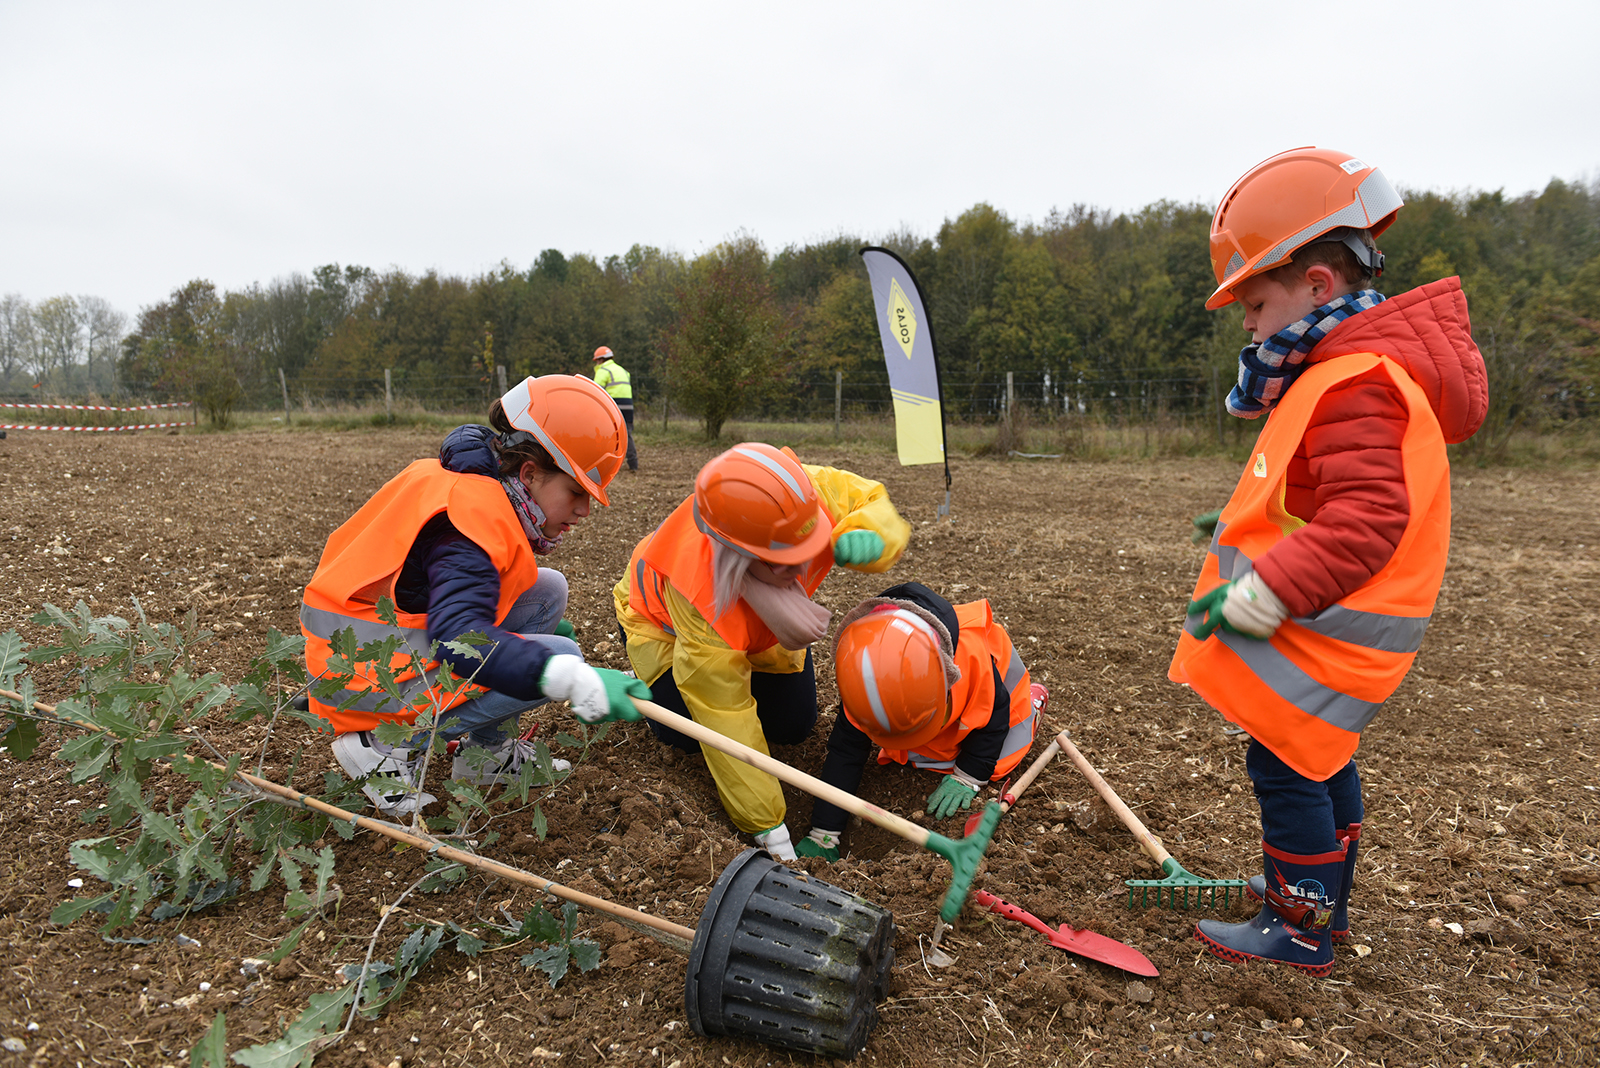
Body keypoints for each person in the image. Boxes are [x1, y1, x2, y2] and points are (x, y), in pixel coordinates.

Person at [1171, 148, 1487, 975]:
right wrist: (1253, 524)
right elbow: (1328, 492)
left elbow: (1368, 519)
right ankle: (1318, 898)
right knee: (1319, 753)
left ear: (1317, 285)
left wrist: (1266, 588)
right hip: (1345, 628)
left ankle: (1299, 924)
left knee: (1282, 760)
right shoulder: (1347, 369)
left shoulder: (1356, 380)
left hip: (1330, 628)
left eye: (1256, 298)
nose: (1245, 320)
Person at [301, 374, 650, 815]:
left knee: (547, 591)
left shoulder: (480, 483)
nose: (585, 509)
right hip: (361, 680)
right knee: (559, 654)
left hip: (370, 645)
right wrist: (565, 674)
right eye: (576, 492)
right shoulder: (469, 524)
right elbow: (457, 640)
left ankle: (484, 756)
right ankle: (380, 744)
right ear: (530, 473)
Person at [593, 443, 909, 859]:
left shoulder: (797, 498)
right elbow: (723, 714)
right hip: (663, 629)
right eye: (780, 561)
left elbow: (869, 499)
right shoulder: (700, 597)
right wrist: (769, 828)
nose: (800, 568)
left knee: (794, 726)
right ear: (736, 554)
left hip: (760, 626)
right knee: (685, 736)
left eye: (806, 547)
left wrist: (871, 533)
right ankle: (656, 682)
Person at [795, 582, 1045, 861]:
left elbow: (994, 718)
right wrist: (824, 832)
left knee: (1002, 759)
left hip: (1002, 703)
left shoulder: (973, 664)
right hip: (933, 714)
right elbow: (846, 752)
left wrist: (968, 777)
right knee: (912, 754)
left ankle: (1033, 704)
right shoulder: (864, 682)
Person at [591, 346, 638, 472]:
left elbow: (596, 391)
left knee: (604, 434)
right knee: (626, 434)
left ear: (600, 360)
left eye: (597, 360)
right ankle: (633, 463)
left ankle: (603, 464)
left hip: (614, 405)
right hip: (628, 405)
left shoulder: (603, 370)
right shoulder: (623, 371)